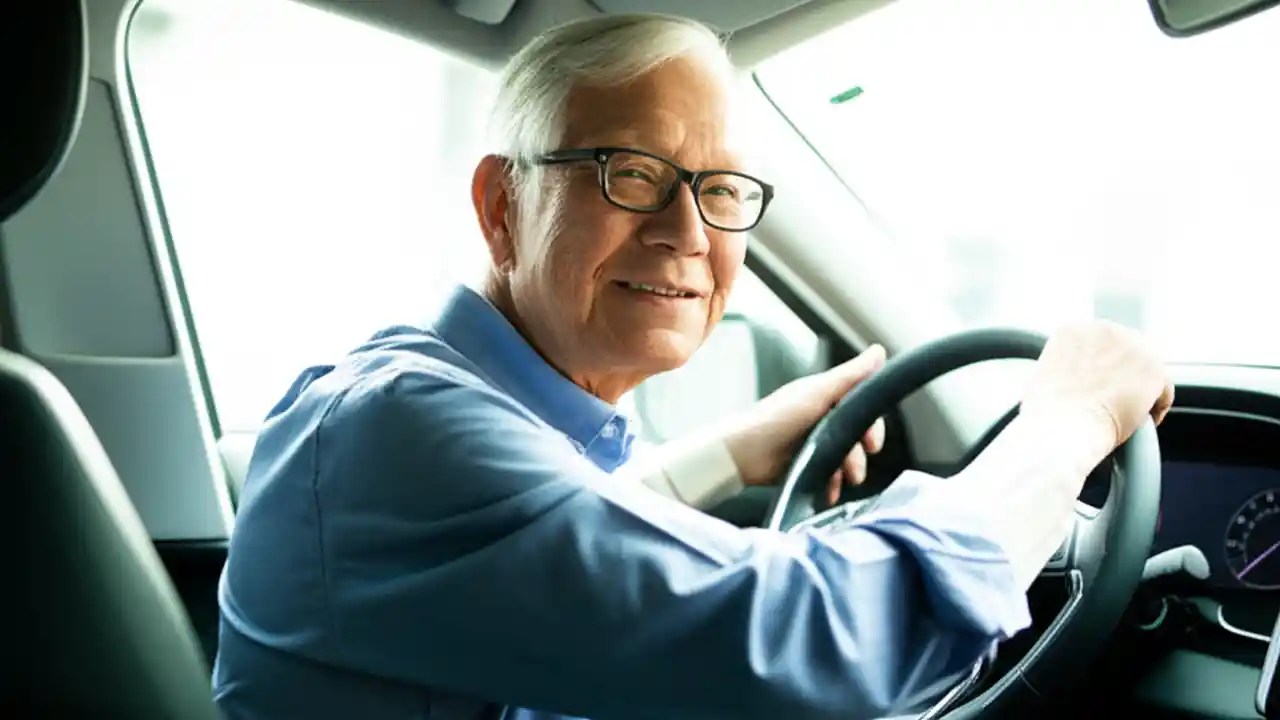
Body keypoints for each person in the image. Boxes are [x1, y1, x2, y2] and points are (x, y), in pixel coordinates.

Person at [211, 12, 1175, 720]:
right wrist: (1066, 426)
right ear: (502, 206)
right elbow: (812, 639)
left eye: (719, 188)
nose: (685, 231)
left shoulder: (433, 413)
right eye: (631, 173)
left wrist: (733, 455)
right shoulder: (398, 428)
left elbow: (553, 552)